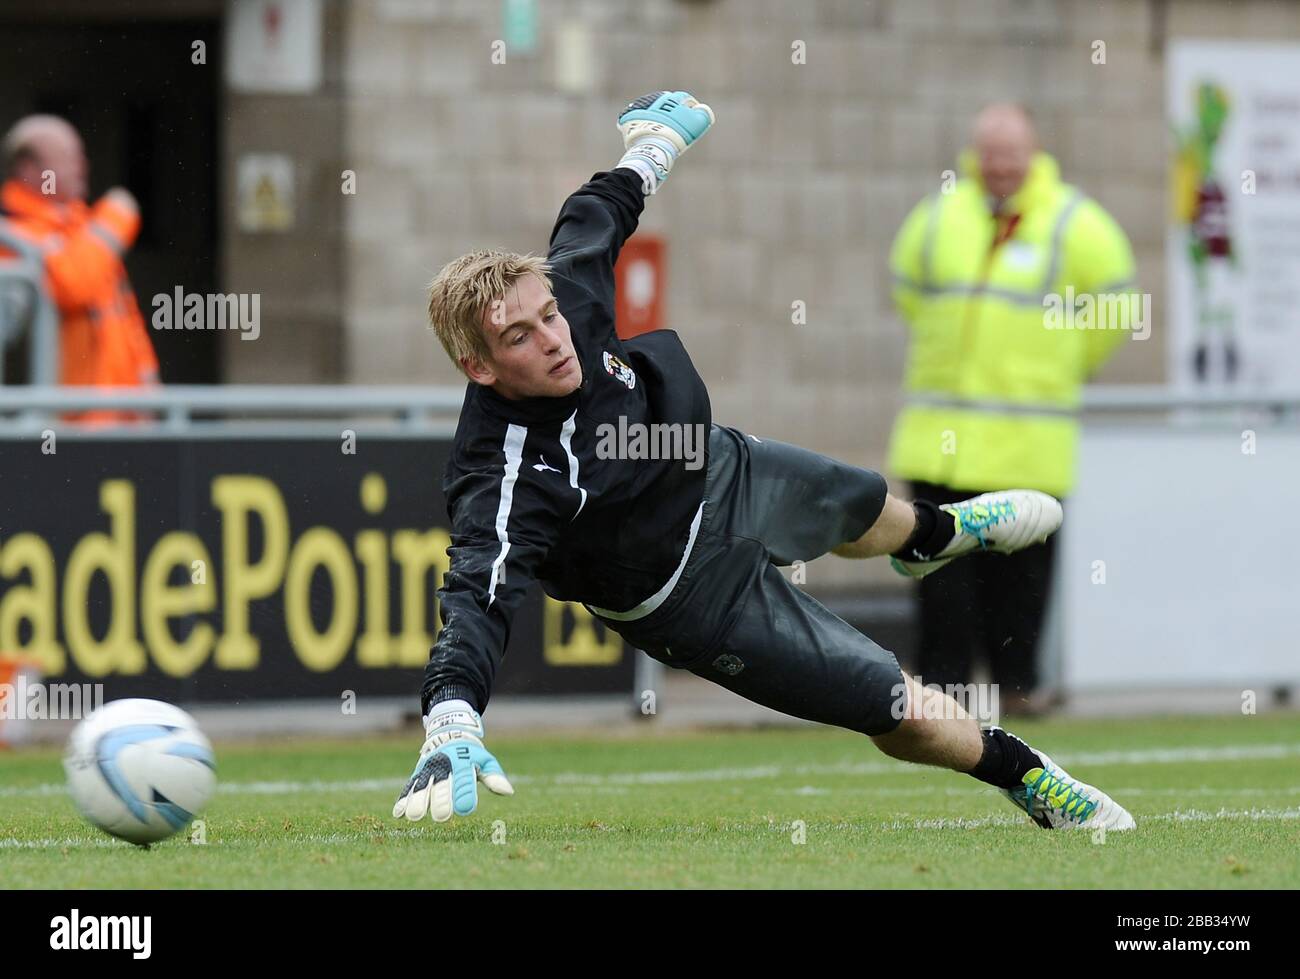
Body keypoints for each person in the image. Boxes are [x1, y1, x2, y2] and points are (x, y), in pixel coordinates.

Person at [393, 91, 1134, 833]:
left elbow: (596, 214)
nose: (551, 339)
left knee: (862, 502)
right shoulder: (501, 473)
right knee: (889, 704)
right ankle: (1026, 773)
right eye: (518, 337)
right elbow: (475, 597)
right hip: (686, 597)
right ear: (478, 367)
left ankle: (931, 536)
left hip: (711, 468)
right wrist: (453, 714)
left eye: (546, 315)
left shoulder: (569, 297)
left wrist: (654, 144)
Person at [887, 104, 1138, 715]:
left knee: (1018, 594)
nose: (999, 167)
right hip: (943, 444)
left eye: (1010, 155)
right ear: (976, 155)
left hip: (1029, 448)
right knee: (942, 586)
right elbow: (907, 289)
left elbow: (1119, 308)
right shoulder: (940, 215)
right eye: (990, 154)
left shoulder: (1076, 223)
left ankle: (1019, 700)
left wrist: (1061, 364)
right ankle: (938, 709)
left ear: (1033, 154)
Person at [0, 114, 158, 421]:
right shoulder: (13, 232)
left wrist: (146, 384)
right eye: (68, 158)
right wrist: (117, 217)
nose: (81, 167)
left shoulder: (81, 226)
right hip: (66, 429)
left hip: (123, 419)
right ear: (29, 169)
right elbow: (76, 285)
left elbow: (122, 316)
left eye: (80, 156)